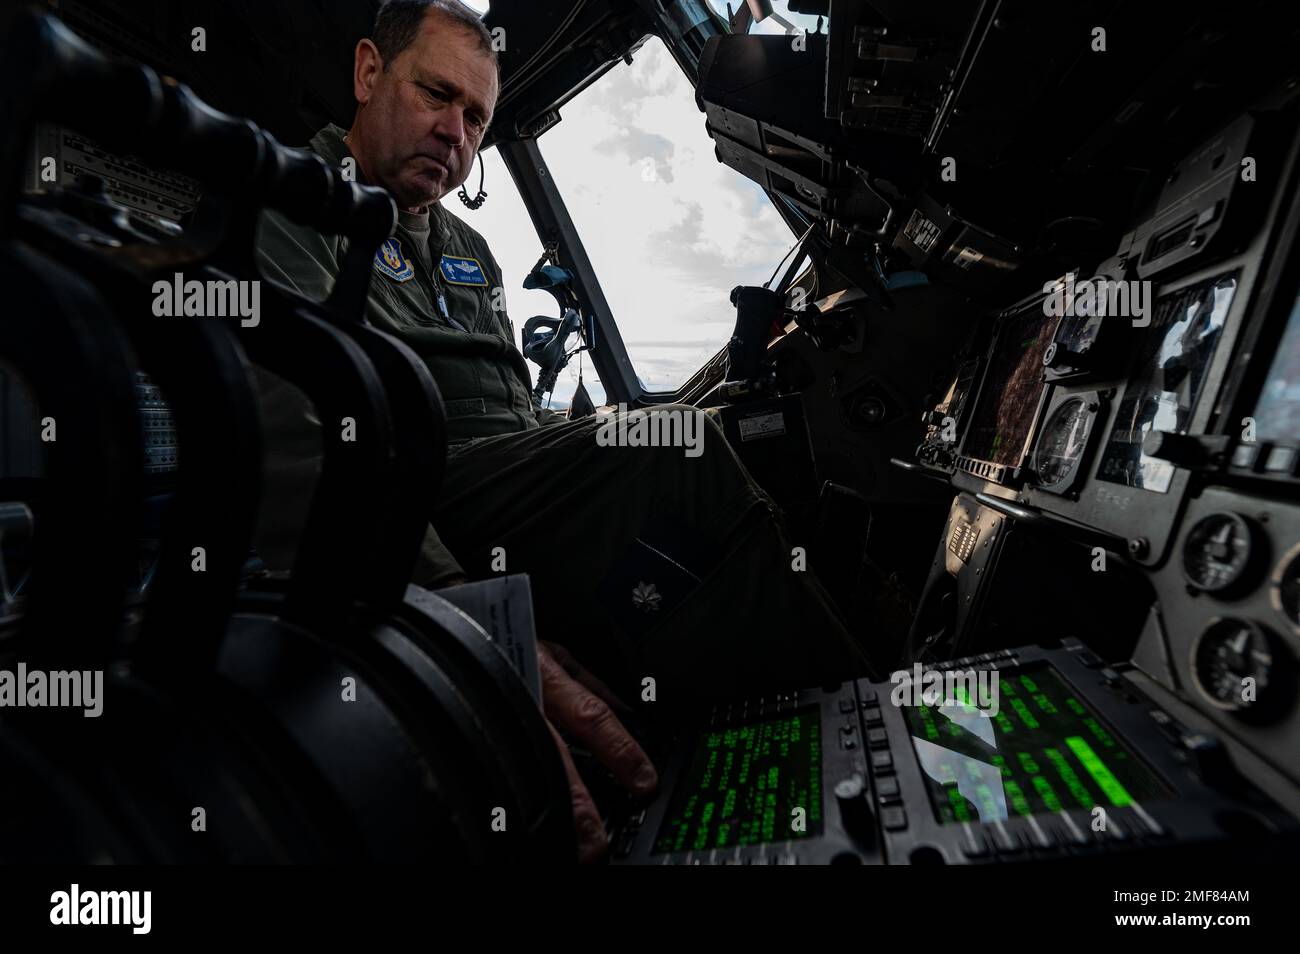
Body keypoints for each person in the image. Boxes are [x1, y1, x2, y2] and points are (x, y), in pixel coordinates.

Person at [252, 0, 870, 862]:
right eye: (437, 95)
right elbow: (299, 436)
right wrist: (460, 613)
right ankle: (866, 763)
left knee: (731, 424)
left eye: (476, 118)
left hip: (497, 477)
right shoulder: (289, 197)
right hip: (411, 484)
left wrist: (590, 431)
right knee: (676, 452)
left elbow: (511, 408)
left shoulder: (471, 246)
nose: (456, 133)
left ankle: (739, 753)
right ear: (367, 73)